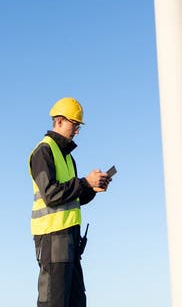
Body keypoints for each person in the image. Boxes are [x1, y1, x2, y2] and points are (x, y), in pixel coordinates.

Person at [29, 97, 110, 307]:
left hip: (70, 240)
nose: (76, 131)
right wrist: (83, 182)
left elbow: (72, 197)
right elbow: (51, 194)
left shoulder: (67, 157)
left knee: (76, 302)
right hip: (53, 239)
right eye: (74, 125)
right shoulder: (43, 151)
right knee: (54, 302)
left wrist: (91, 188)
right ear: (59, 121)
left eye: (78, 127)